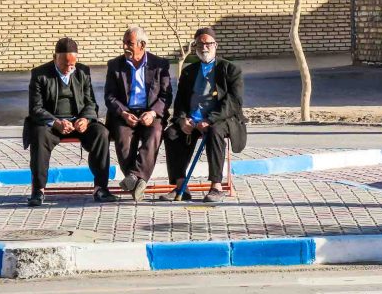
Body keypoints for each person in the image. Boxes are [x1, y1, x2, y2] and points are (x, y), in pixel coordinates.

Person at [23, 37, 116, 207]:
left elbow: (91, 103)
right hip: (51, 124)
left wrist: (85, 119)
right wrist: (55, 122)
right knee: (39, 135)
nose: (68, 69)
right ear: (55, 58)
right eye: (64, 65)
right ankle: (38, 190)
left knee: (101, 133)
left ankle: (101, 188)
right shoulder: (40, 74)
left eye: (72, 65)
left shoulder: (82, 72)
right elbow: (35, 108)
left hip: (78, 122)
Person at [160, 27, 247, 202]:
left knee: (214, 132)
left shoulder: (230, 69)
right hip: (193, 119)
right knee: (171, 133)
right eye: (200, 44)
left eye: (208, 44)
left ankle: (216, 186)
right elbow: (181, 100)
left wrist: (210, 119)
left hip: (221, 119)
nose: (204, 47)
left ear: (216, 45)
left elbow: (233, 102)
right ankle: (181, 186)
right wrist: (182, 119)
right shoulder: (189, 71)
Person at [104, 25, 172, 201]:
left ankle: (134, 177)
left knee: (154, 133)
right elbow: (109, 96)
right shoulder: (115, 65)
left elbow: (166, 96)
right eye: (124, 42)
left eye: (129, 43)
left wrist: (153, 113)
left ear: (142, 45)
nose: (125, 46)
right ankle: (138, 182)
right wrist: (123, 113)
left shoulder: (160, 65)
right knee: (123, 139)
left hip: (150, 112)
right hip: (125, 113)